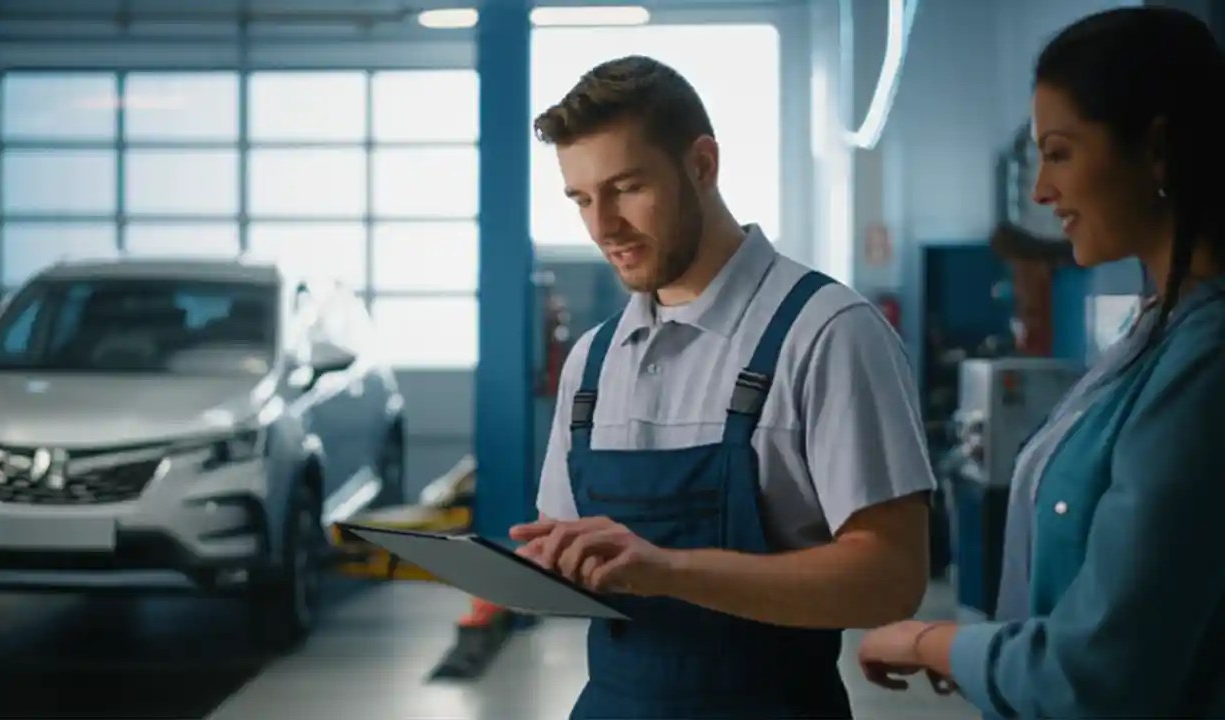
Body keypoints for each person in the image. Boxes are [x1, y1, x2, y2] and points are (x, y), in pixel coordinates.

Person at [507, 55, 936, 719]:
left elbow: (892, 579)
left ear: (702, 165)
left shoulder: (827, 334)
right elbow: (568, 547)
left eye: (625, 188)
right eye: (582, 199)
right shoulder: (593, 363)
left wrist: (669, 569)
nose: (602, 227)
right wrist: (541, 565)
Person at [857, 7, 1225, 718]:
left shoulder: (1205, 366)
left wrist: (932, 642)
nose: (1040, 192)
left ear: (1156, 150)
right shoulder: (1155, 335)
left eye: (1060, 152)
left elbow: (1095, 670)